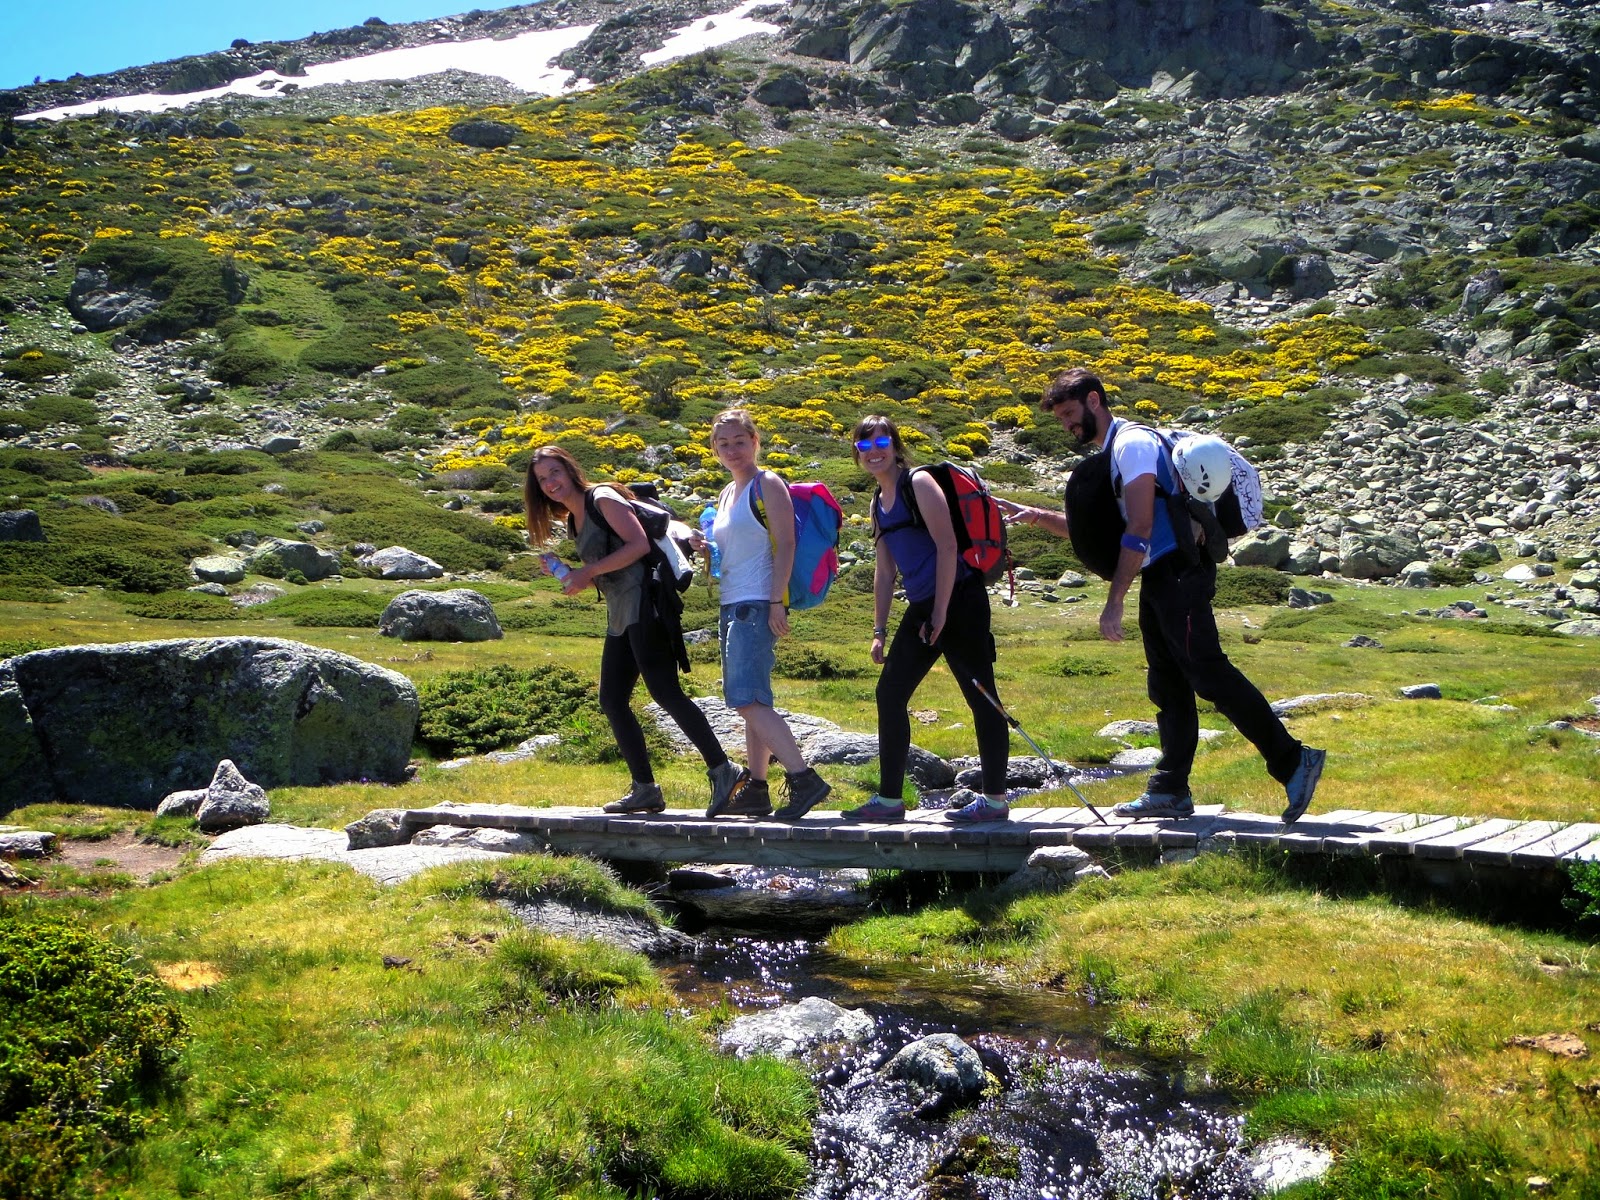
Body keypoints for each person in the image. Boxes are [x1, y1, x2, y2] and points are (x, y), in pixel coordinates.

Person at [997, 368, 1325, 823]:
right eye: (1061, 419)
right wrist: (1036, 516)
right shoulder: (1117, 451)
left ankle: (1293, 760)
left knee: (1207, 672)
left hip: (1179, 571)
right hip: (1162, 575)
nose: (1067, 425)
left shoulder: (1132, 446)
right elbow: (1105, 531)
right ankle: (1171, 789)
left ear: (1094, 401)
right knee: (1168, 684)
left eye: (1070, 413)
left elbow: (1141, 526)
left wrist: (1114, 601)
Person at [524, 446, 747, 816]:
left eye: (554, 473)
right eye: (542, 479)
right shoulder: (574, 519)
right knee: (612, 700)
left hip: (646, 606)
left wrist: (587, 571)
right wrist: (572, 573)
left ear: (570, 469)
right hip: (621, 614)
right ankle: (645, 789)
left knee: (665, 692)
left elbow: (639, 545)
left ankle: (724, 771)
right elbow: (606, 568)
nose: (550, 483)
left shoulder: (602, 498)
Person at [847, 415, 1014, 823]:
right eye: (865, 446)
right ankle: (890, 800)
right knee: (890, 693)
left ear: (896, 447)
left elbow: (947, 545)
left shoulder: (918, 483)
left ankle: (994, 801)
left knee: (982, 697)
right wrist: (879, 631)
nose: (873, 452)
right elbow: (885, 571)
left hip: (961, 600)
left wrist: (941, 612)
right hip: (924, 607)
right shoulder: (878, 502)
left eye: (881, 443)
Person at [703, 409, 833, 820]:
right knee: (753, 698)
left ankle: (804, 779)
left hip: (757, 602)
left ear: (755, 442)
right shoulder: (727, 492)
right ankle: (757, 790)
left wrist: (777, 601)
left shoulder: (768, 483)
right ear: (714, 449)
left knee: (746, 699)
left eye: (739, 441)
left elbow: (786, 544)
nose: (732, 450)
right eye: (723, 443)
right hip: (732, 601)